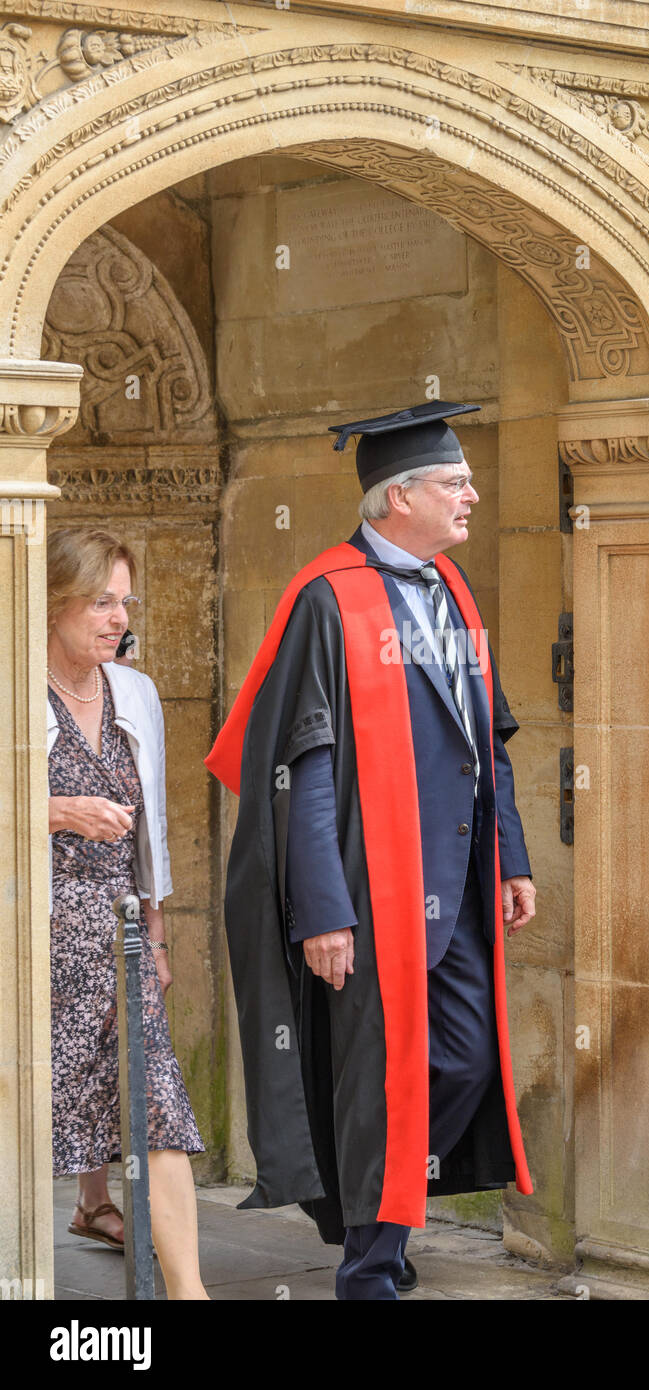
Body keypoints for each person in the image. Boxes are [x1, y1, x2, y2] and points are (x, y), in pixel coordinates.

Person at [206, 399, 537, 1300]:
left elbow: (488, 741)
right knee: (377, 1077)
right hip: (371, 887)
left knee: (462, 1059)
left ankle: (370, 1197)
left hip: (456, 886)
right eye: (453, 481)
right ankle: (371, 1262)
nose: (471, 494)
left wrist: (510, 855)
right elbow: (300, 769)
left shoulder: (453, 588)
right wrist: (321, 909)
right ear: (398, 497)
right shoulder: (329, 598)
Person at [47, 527, 209, 1300]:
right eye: (99, 601)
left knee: (159, 1105)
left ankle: (188, 1293)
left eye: (124, 601)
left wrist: (156, 929)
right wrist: (53, 810)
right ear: (53, 601)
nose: (117, 617)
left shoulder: (134, 691)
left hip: (116, 937)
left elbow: (154, 828)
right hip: (30, 938)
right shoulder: (11, 685)